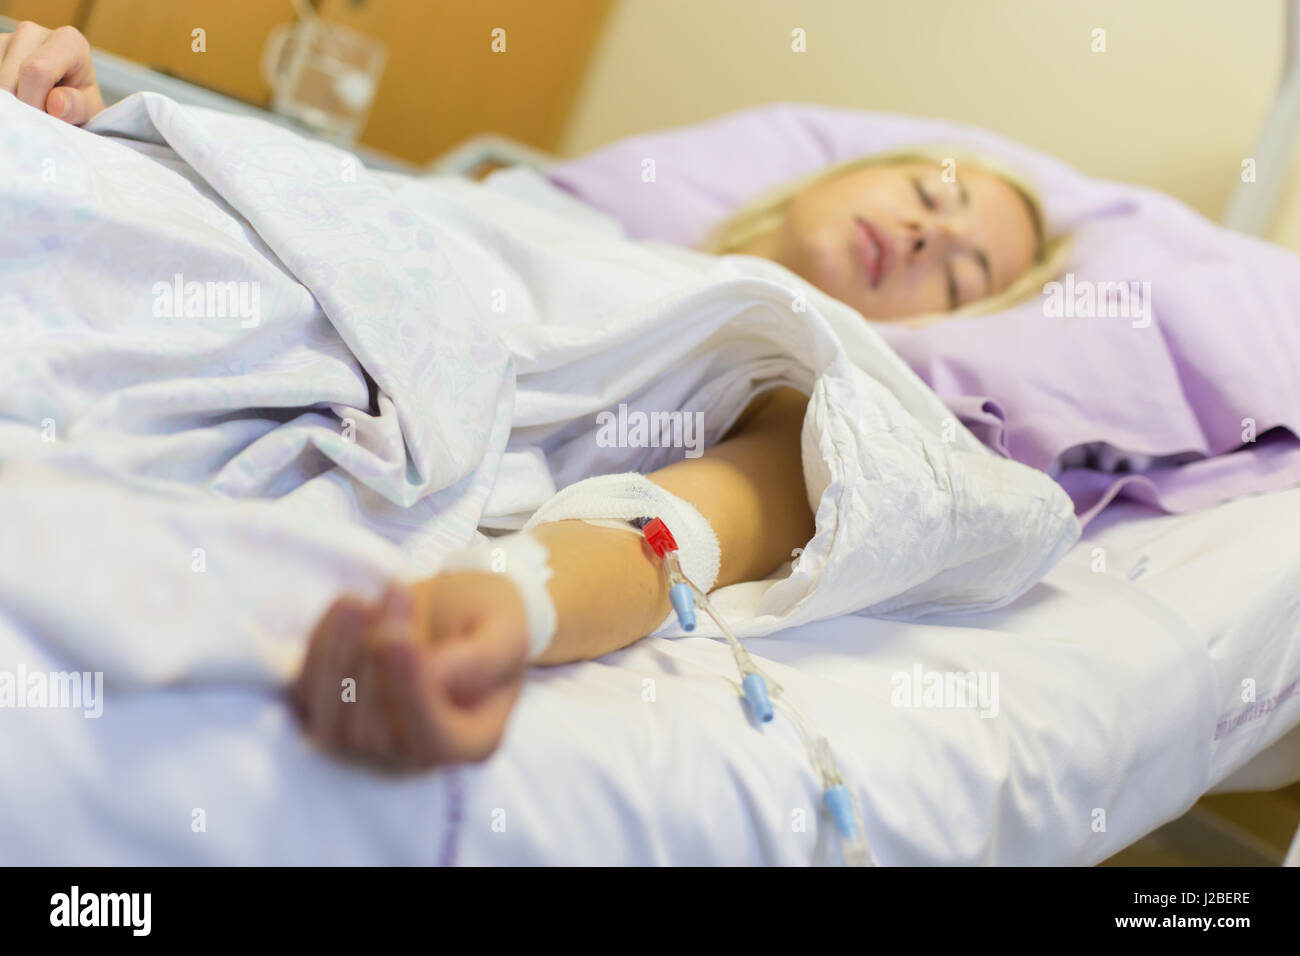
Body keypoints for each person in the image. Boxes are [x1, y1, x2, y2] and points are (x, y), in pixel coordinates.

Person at [1, 21, 1058, 768]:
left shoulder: (788, 353)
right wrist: (95, 121)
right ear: (823, 180)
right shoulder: (537, 210)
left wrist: (517, 601)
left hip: (269, 330)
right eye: (928, 194)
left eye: (960, 273)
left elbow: (679, 529)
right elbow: (328, 209)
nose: (928, 232)